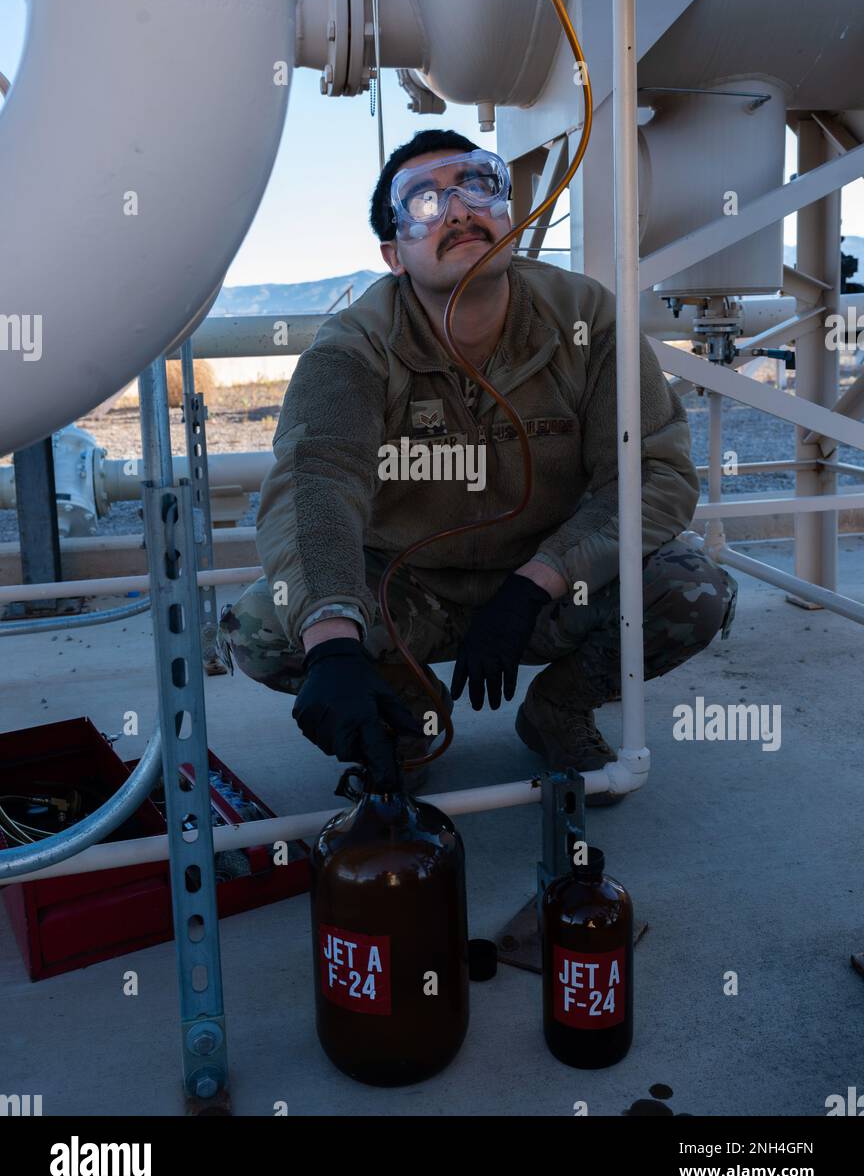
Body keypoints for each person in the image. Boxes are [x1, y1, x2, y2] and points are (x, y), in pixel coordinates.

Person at [217, 129, 738, 804]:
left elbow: (651, 474)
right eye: (425, 202)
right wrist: (334, 644)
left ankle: (559, 709)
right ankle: (410, 716)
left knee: (692, 590)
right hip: (407, 590)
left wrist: (539, 581)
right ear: (393, 254)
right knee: (263, 628)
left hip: (546, 585)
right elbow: (317, 483)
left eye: (477, 185)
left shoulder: (585, 319)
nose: (458, 209)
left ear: (509, 214)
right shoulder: (353, 347)